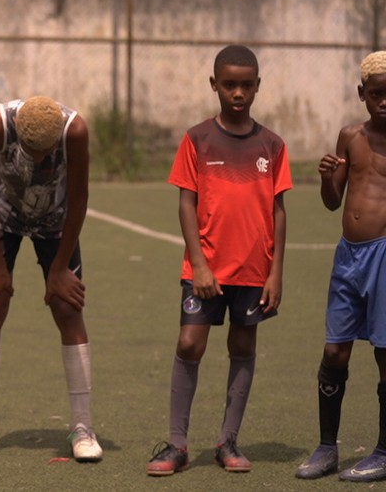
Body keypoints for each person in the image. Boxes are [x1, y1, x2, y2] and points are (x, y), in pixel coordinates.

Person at [146, 44, 291, 476]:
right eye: (229, 84)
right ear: (215, 85)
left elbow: (279, 211)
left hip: (253, 270)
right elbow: (186, 205)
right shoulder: (196, 139)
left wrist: (276, 272)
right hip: (205, 271)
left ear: (258, 87)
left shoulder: (273, 145)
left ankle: (228, 441)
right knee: (189, 343)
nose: (238, 93)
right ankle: (176, 444)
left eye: (246, 85)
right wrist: (201, 264)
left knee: (242, 345)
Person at [0, 96, 102, 463]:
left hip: (55, 221)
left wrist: (58, 271)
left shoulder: (75, 131)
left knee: (67, 306)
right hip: (3, 216)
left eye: (46, 151)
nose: (38, 158)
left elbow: (80, 196)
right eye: (30, 151)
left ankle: (83, 427)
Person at [296, 51, 386, 481]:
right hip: (349, 256)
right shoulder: (349, 136)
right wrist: (327, 176)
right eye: (376, 94)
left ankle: (384, 451)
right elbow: (333, 202)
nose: (384, 102)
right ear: (361, 95)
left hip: (385, 256)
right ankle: (326, 447)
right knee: (335, 349)